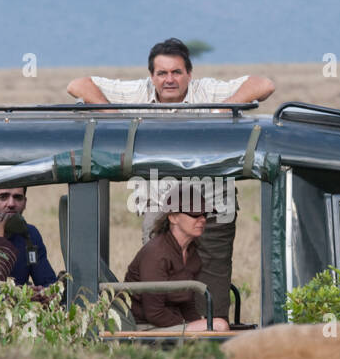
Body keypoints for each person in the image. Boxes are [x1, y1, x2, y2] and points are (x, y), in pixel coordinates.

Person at [66, 38, 275, 326]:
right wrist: (113, 116)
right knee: (160, 287)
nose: (169, 79)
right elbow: (78, 85)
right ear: (151, 76)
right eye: (162, 73)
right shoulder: (137, 92)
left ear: (190, 73)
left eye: (176, 72)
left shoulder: (207, 91)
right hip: (159, 209)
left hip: (212, 209)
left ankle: (208, 341)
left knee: (210, 294)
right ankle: (168, 347)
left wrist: (223, 110)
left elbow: (263, 84)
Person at [123, 188, 230, 332]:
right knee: (219, 326)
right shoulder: (157, 254)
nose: (203, 219)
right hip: (143, 327)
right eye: (194, 214)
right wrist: (189, 325)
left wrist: (196, 323)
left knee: (213, 326)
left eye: (204, 214)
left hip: (168, 322)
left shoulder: (192, 254)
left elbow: (187, 304)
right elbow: (154, 313)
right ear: (172, 217)